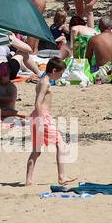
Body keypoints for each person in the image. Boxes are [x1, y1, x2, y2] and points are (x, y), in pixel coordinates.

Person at [26, 57, 72, 186]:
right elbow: (38, 103)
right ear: (54, 70)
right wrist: (41, 120)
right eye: (60, 73)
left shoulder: (42, 80)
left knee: (36, 150)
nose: (61, 76)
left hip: (38, 117)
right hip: (43, 118)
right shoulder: (45, 83)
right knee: (60, 144)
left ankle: (28, 180)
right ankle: (62, 177)